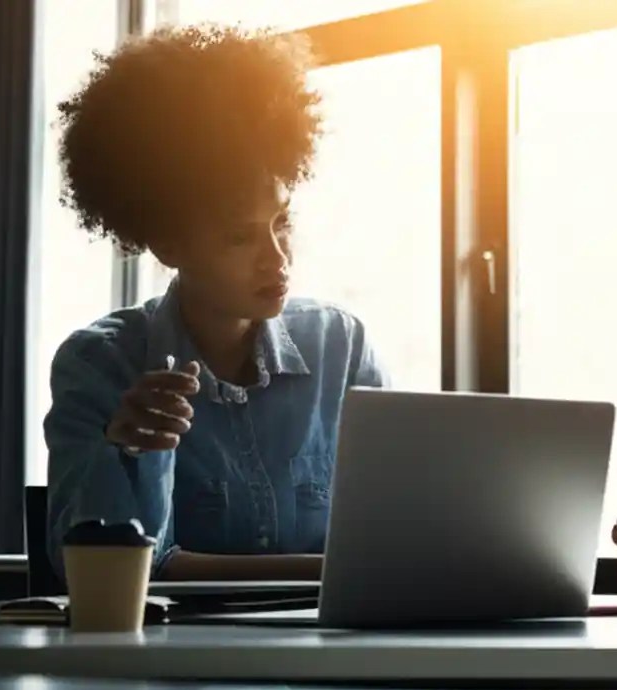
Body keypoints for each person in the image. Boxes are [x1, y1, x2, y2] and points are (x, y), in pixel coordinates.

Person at [45, 25, 385, 582]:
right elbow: (109, 576)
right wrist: (131, 453)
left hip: (332, 658)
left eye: (283, 222)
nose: (276, 258)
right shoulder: (99, 366)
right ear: (166, 244)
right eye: (239, 237)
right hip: (169, 665)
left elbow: (398, 535)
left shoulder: (342, 347)